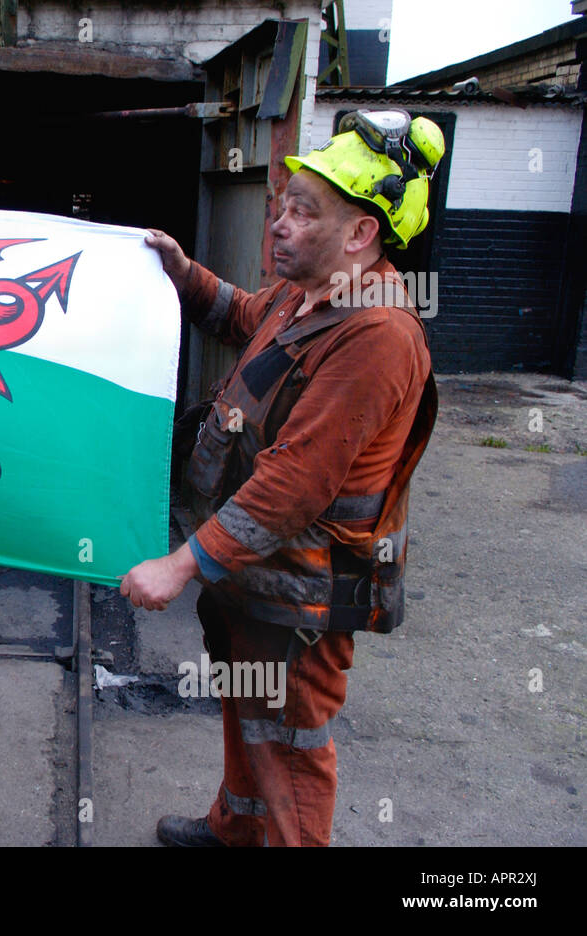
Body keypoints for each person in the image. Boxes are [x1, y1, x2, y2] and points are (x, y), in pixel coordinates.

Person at [121, 110, 445, 847]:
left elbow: (295, 483)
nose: (279, 224)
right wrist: (182, 272)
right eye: (281, 206)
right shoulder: (306, 298)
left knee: (291, 746)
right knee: (248, 713)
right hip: (258, 579)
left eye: (304, 212)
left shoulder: (377, 334)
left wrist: (181, 564)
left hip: (304, 592)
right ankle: (235, 830)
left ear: (361, 234)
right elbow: (239, 314)